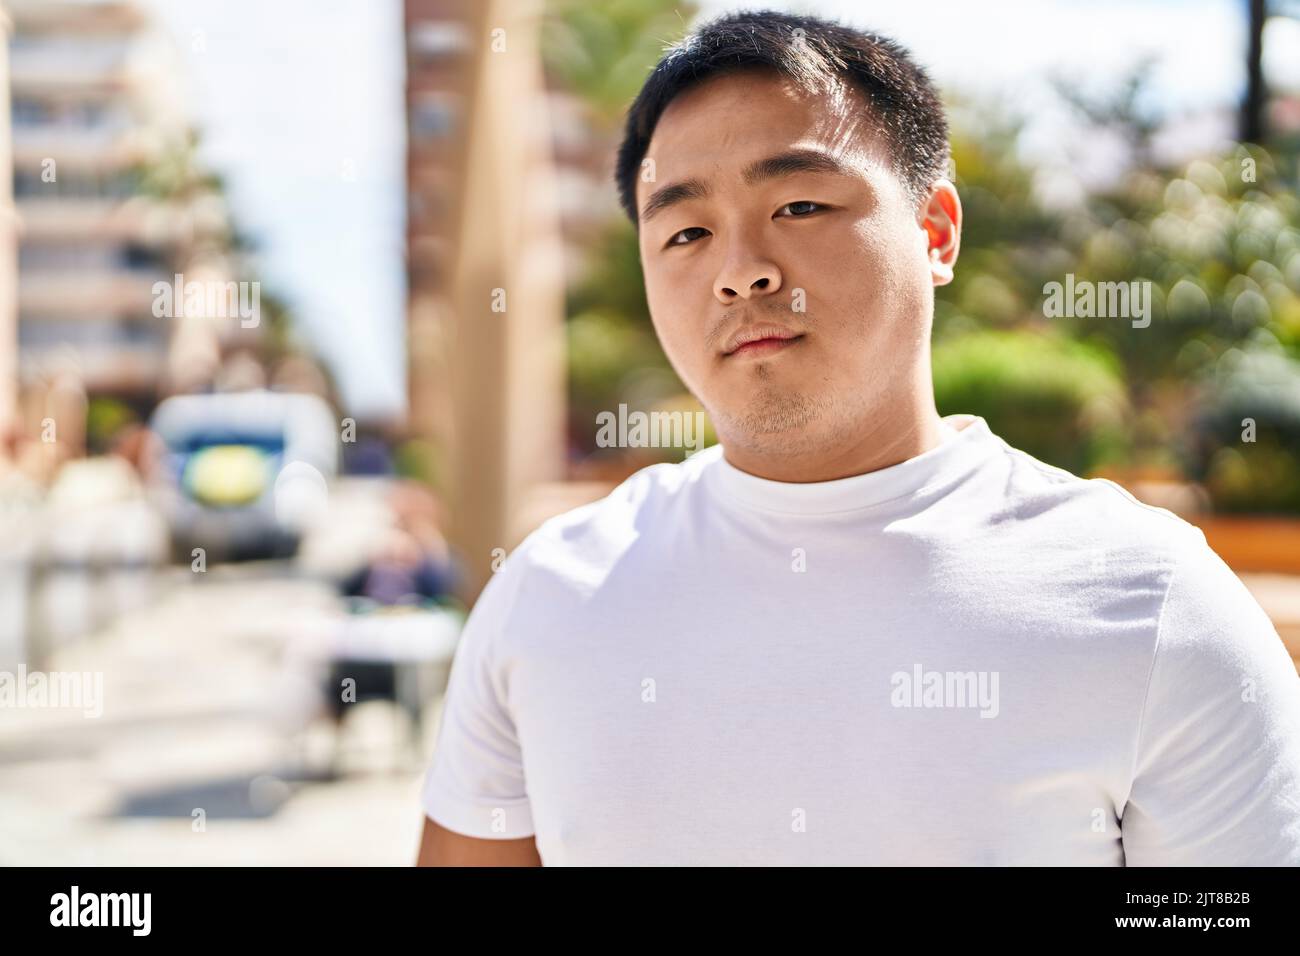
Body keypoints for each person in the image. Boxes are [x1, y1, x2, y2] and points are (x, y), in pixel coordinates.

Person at [416, 10, 1300, 866]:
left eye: (799, 204)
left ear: (936, 230)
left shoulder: (1152, 605)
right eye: (687, 232)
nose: (741, 272)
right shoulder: (547, 597)